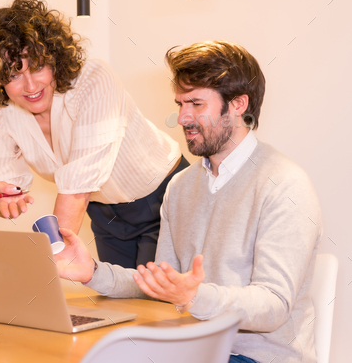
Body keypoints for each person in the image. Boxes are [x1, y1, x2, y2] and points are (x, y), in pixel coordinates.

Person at [55, 41, 322, 363]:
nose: (182, 118)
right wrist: (91, 272)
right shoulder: (182, 186)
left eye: (196, 104)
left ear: (238, 104)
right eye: (181, 104)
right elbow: (164, 283)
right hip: (191, 348)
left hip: (253, 357)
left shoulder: (285, 184)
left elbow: (273, 307)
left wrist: (193, 295)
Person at [0, 0, 187, 268]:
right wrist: (3, 196)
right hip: (104, 212)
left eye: (38, 67)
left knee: (157, 301)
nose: (30, 86)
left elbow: (77, 188)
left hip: (164, 197)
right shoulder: (0, 113)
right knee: (122, 303)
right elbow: (1, 187)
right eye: (14, 75)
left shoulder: (93, 80)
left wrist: (44, 267)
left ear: (55, 59)